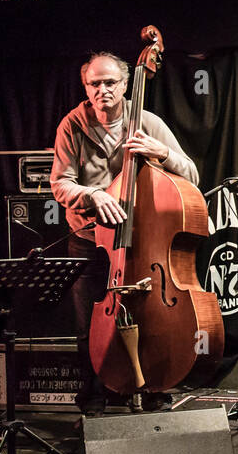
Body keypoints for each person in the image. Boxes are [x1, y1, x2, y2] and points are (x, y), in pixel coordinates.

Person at [50, 51, 200, 415]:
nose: (102, 90)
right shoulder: (73, 125)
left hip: (144, 243)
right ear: (85, 87)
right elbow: (60, 184)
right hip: (91, 242)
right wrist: (93, 195)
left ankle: (152, 387)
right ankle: (93, 402)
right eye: (94, 84)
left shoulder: (147, 121)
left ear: (126, 84)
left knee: (150, 317)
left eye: (110, 83)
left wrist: (162, 152)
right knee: (89, 326)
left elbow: (192, 176)